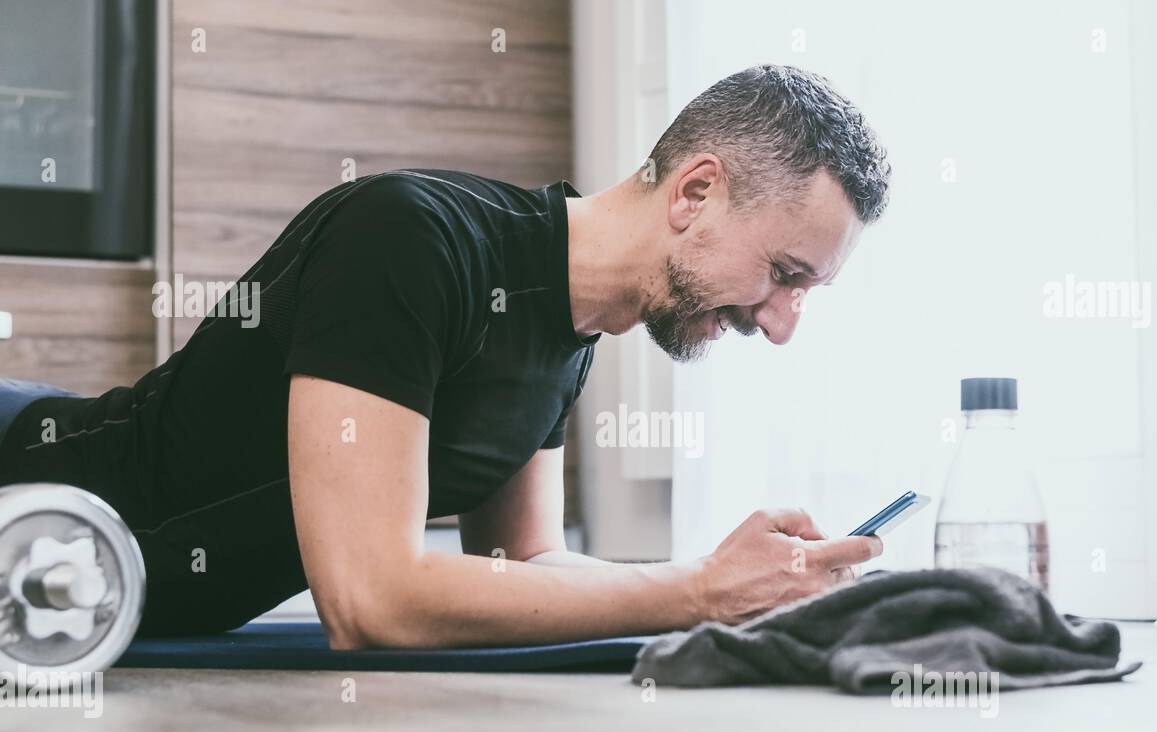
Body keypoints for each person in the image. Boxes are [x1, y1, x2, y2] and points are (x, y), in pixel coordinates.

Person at [0, 64, 892, 648]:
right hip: (30, 491)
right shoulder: (412, 240)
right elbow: (370, 600)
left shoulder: (571, 331)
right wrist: (697, 591)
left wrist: (745, 601)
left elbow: (526, 562)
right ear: (696, 191)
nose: (781, 325)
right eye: (783, 275)